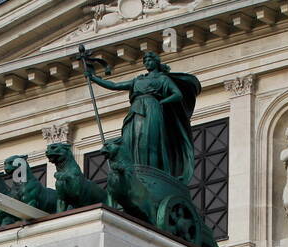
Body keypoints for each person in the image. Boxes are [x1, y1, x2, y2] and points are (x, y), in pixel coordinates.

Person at [84, 51, 201, 183]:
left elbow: (177, 94)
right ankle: (135, 172)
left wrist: (161, 102)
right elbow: (115, 85)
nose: (146, 63)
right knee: (132, 141)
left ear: (156, 62)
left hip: (152, 109)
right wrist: (93, 78)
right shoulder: (138, 80)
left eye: (149, 60)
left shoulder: (163, 79)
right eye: (145, 61)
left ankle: (153, 175)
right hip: (136, 110)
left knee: (150, 141)